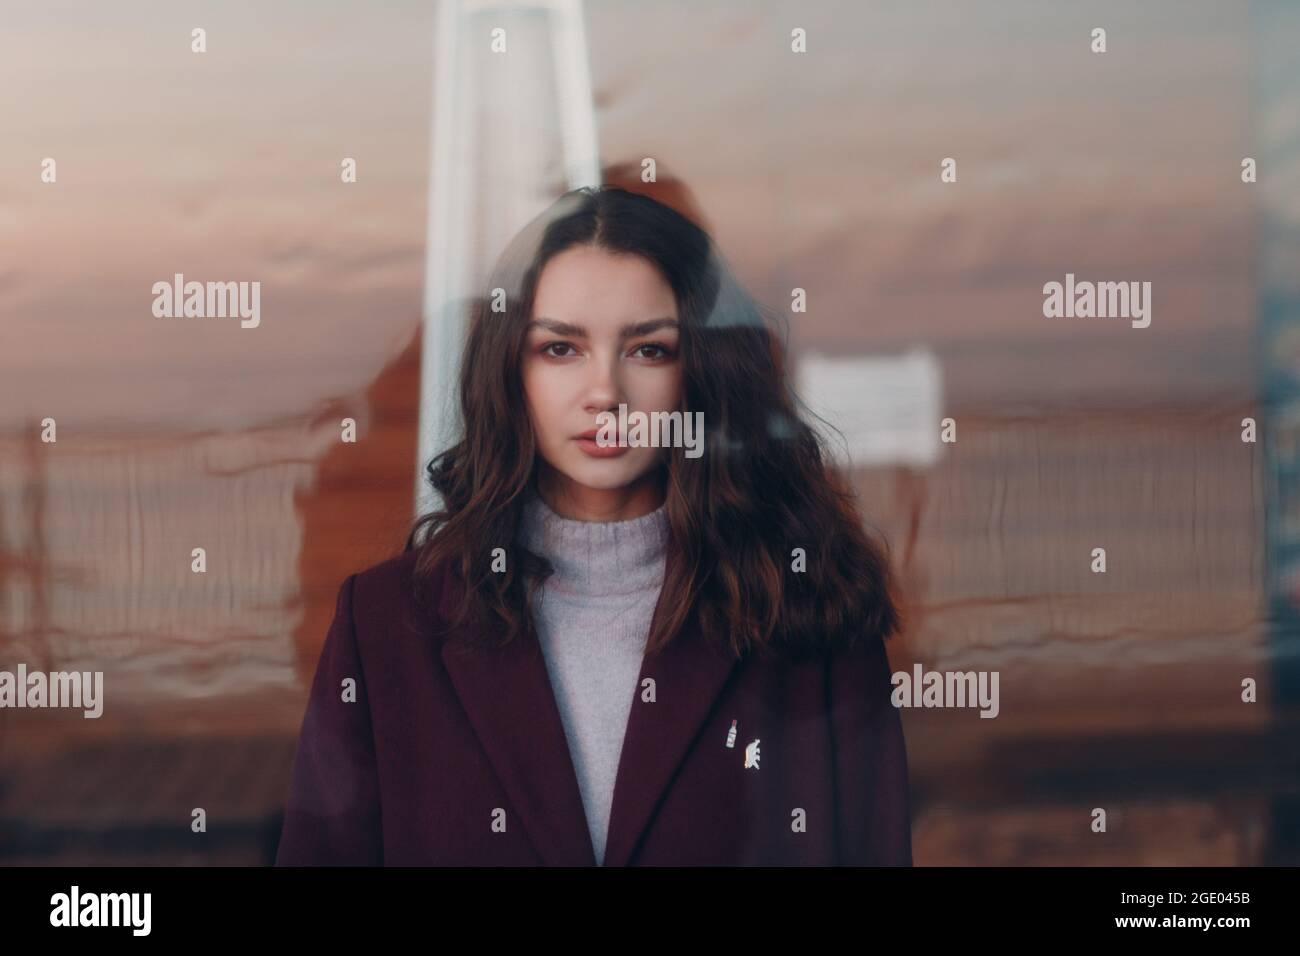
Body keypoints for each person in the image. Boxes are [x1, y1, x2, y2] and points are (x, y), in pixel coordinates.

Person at [275, 185, 911, 866]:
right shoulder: (384, 628)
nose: (604, 392)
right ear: (510, 368)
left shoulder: (811, 615)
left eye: (648, 350)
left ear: (701, 371)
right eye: (560, 349)